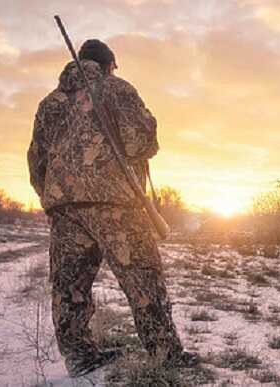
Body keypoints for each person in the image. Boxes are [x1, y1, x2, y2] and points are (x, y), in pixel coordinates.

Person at [28, 39, 192, 377]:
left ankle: (79, 356)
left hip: (65, 210)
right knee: (143, 280)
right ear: (107, 65)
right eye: (114, 67)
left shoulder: (49, 104)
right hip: (115, 204)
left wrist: (55, 198)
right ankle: (165, 354)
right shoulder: (116, 89)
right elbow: (141, 143)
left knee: (69, 285)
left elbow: (36, 161)